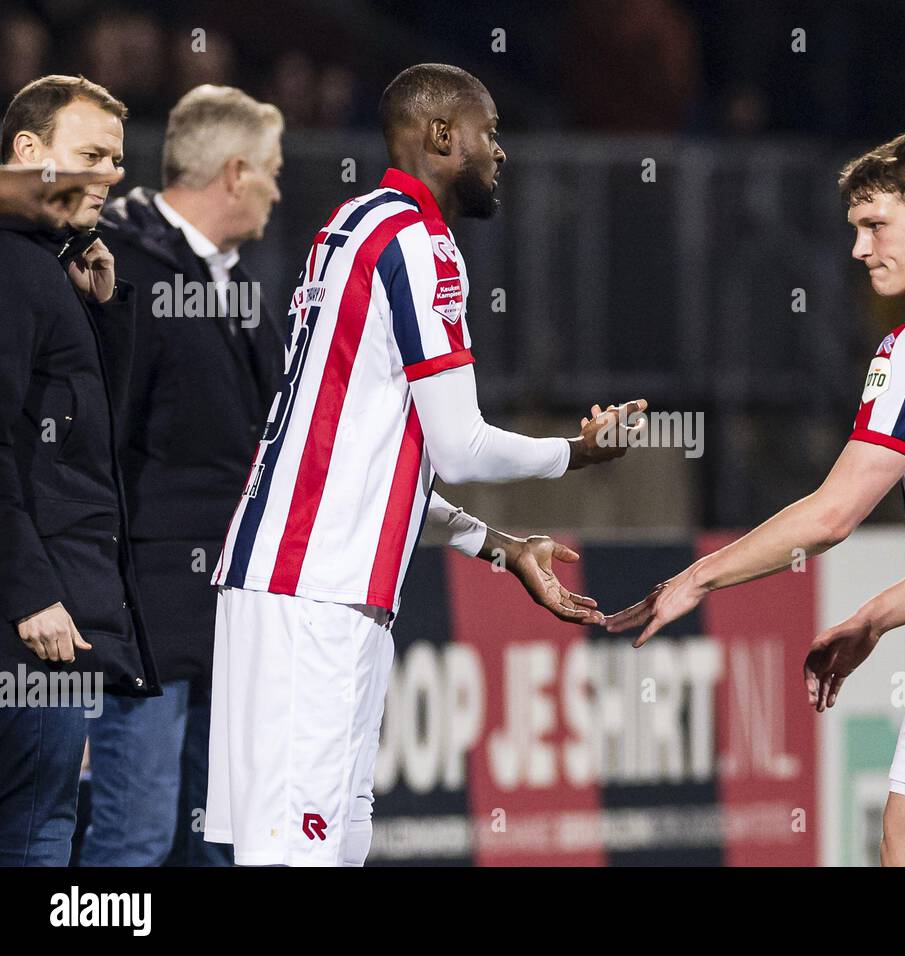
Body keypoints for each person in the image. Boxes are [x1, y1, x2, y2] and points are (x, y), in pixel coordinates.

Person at [204, 63, 647, 867]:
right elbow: (459, 445)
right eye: (490, 132)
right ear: (442, 136)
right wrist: (580, 453)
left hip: (290, 580)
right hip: (320, 592)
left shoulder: (348, 224)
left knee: (327, 846)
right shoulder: (420, 243)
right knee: (298, 856)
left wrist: (499, 546)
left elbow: (367, 460)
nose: (501, 152)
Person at [607, 131, 905, 867]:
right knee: (898, 837)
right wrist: (875, 616)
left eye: (874, 226)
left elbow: (833, 514)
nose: (860, 250)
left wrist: (699, 576)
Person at [81, 85, 286, 867]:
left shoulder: (231, 285)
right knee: (132, 839)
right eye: (268, 170)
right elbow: (95, 439)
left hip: (229, 621)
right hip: (147, 622)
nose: (276, 187)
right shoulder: (121, 266)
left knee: (223, 842)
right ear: (233, 172)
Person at [0, 74, 161, 866]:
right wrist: (32, 593)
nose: (109, 176)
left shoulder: (48, 269)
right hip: (31, 628)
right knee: (38, 836)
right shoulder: (11, 266)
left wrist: (101, 316)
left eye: (117, 160)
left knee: (45, 829)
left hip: (53, 628)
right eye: (91, 155)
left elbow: (84, 447)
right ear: (29, 152)